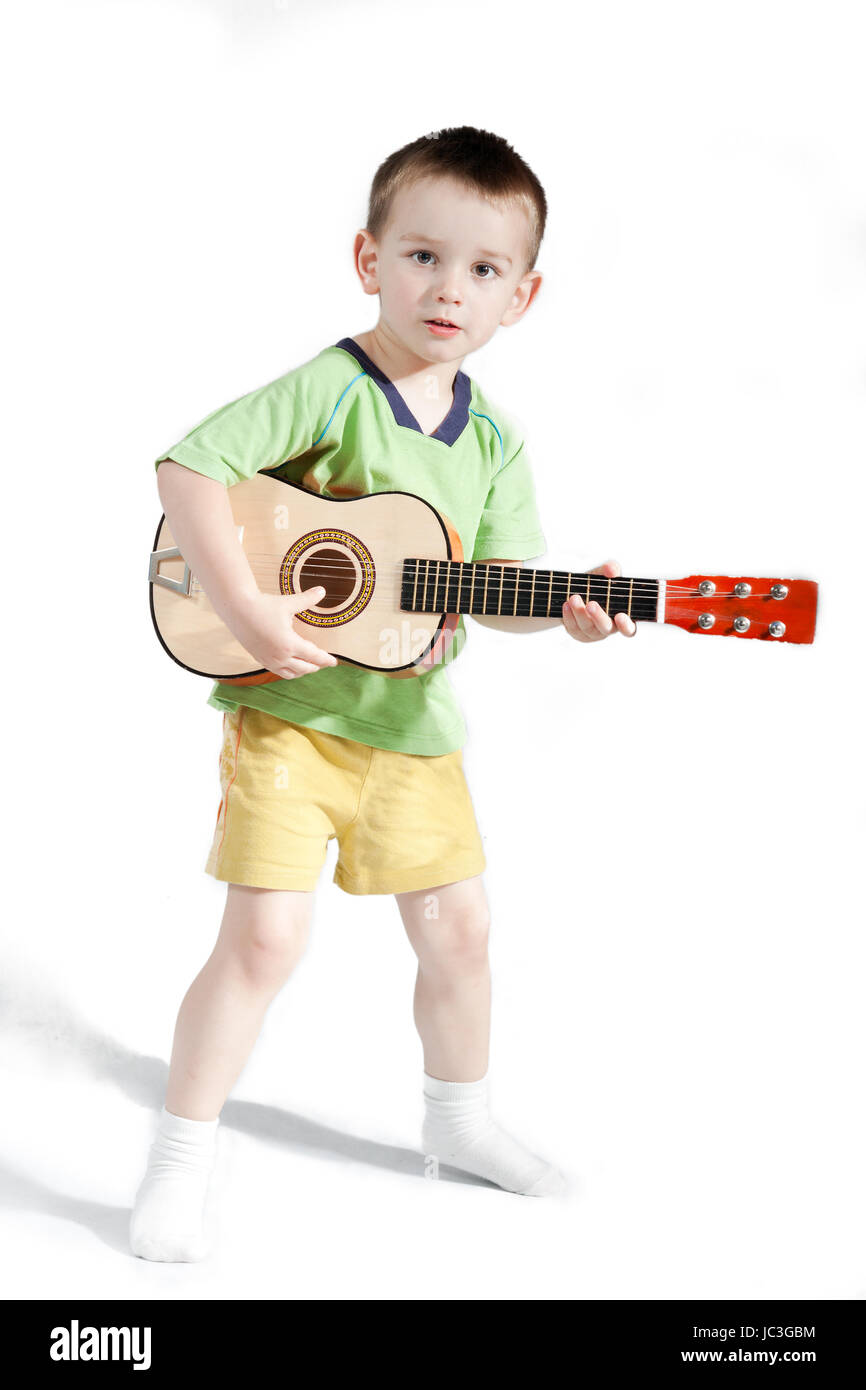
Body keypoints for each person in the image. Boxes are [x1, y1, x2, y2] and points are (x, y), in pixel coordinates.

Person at [131, 125, 636, 1263]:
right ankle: (180, 1151)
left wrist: (561, 603)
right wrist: (256, 614)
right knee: (262, 940)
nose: (447, 288)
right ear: (367, 259)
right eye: (420, 256)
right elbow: (188, 469)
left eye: (481, 269)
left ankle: (458, 1124)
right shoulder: (330, 388)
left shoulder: (496, 440)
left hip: (412, 732)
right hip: (289, 722)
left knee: (461, 930)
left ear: (523, 294)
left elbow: (497, 586)